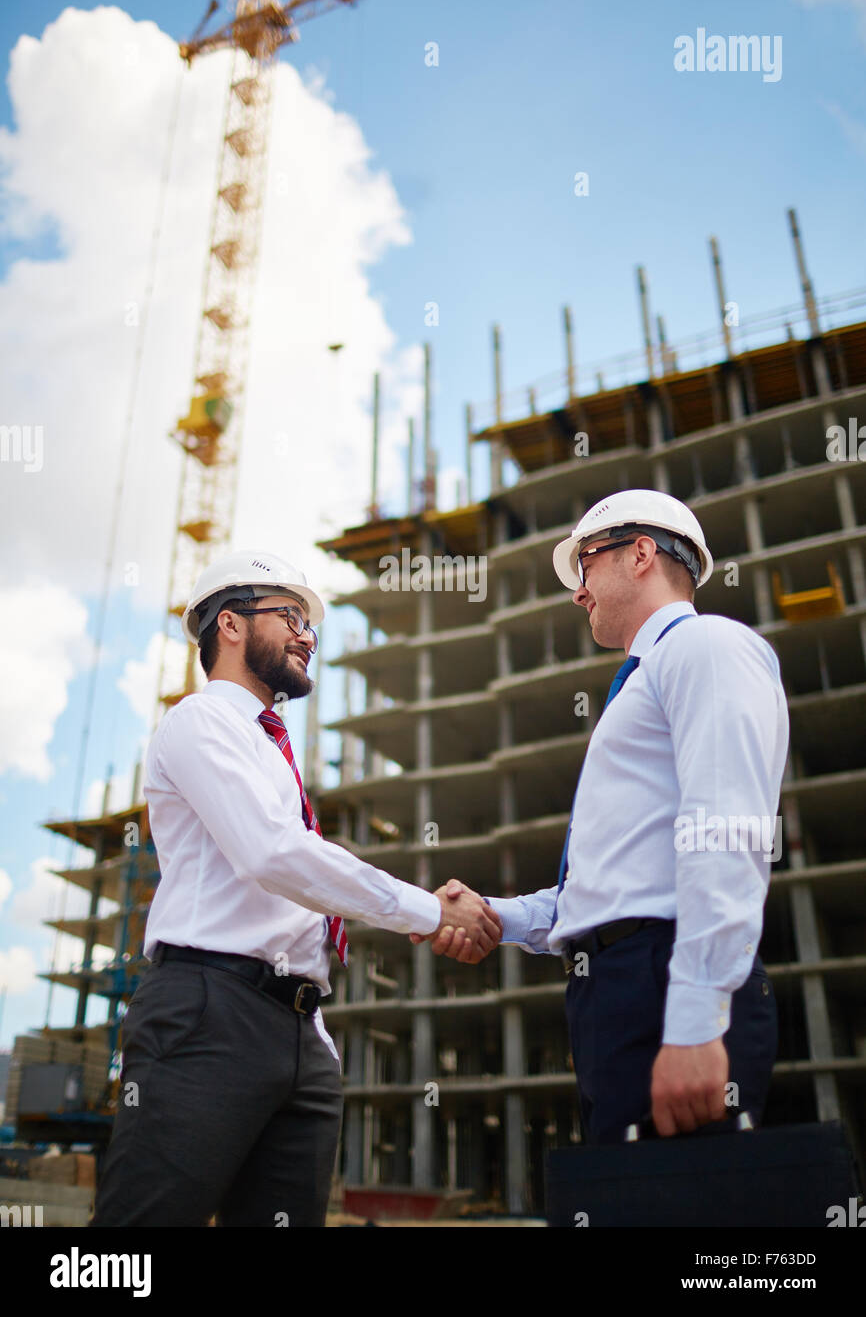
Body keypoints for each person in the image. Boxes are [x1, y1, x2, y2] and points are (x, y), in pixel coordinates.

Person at [90, 550, 501, 1227]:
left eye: (311, 622)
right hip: (208, 1011)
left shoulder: (272, 751)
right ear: (229, 624)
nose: (308, 634)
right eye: (291, 616)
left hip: (300, 1029)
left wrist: (315, 1035)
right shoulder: (201, 724)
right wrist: (429, 912)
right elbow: (274, 854)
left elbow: (293, 883)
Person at [415, 490, 789, 1144]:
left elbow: (728, 831)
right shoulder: (643, 685)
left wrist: (696, 1019)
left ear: (641, 552)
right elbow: (610, 889)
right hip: (617, 991)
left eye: (584, 564)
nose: (577, 593)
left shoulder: (705, 646)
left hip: (665, 981)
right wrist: (499, 918)